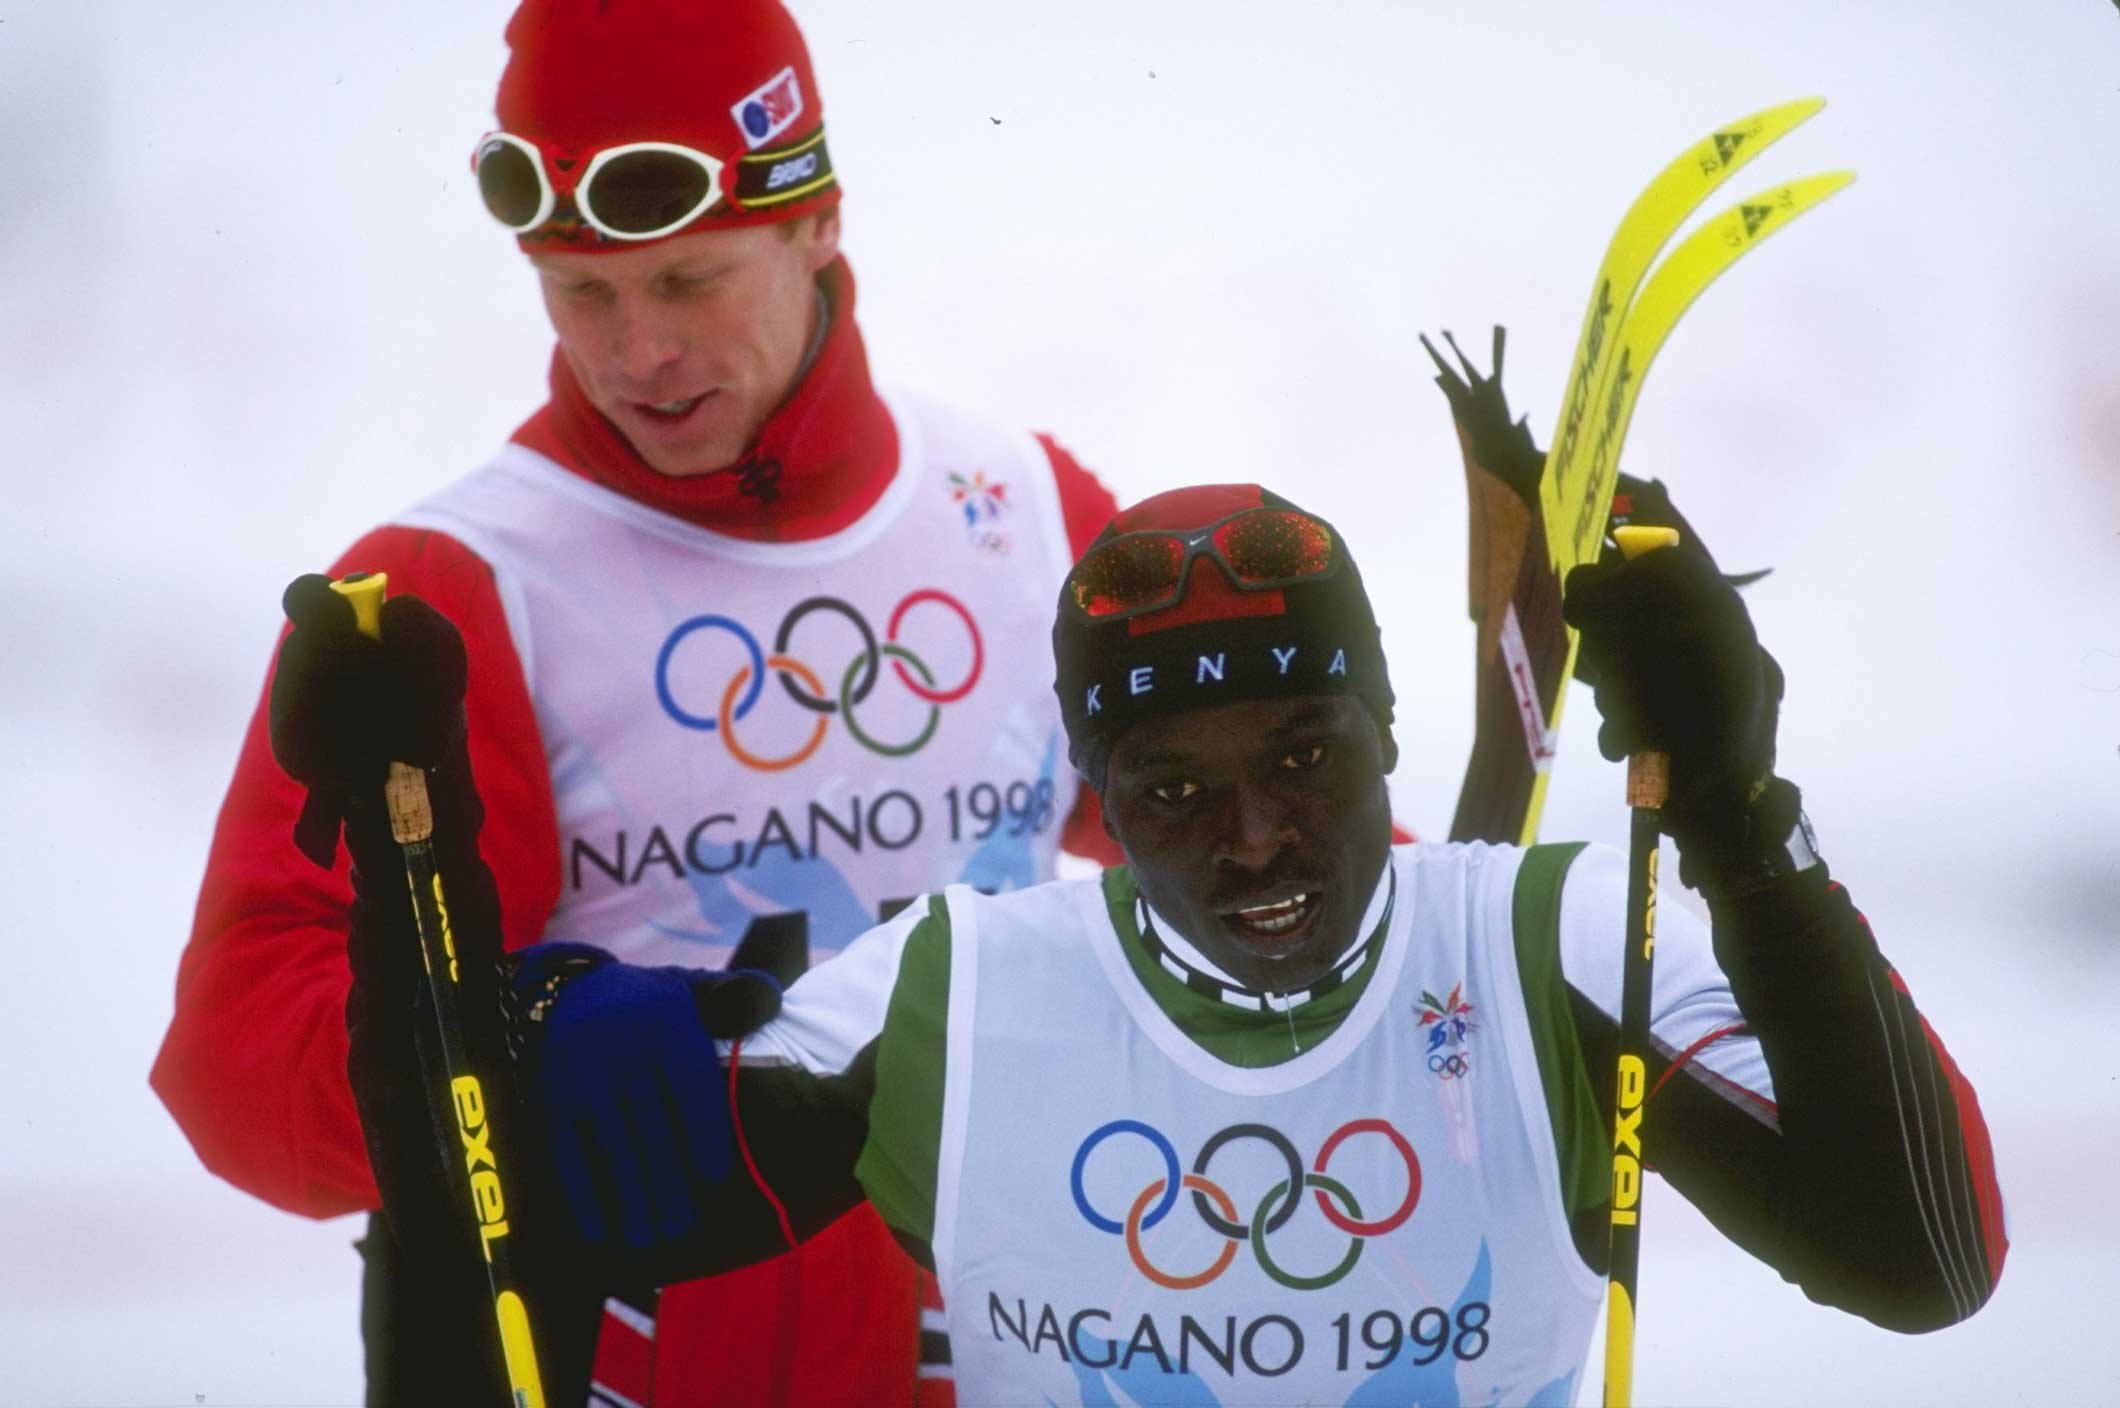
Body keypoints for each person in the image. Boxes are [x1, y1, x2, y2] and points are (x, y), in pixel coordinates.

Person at [283, 482, 2007, 1406]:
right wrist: (412, 867)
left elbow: (1920, 1260)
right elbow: (491, 1241)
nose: (1252, 837)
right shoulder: (958, 992)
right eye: (1172, 788)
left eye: (1304, 759)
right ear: (1097, 795)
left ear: (1386, 741)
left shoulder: (1551, 942)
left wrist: (1737, 817)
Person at [149, 0, 1126, 1402]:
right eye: (580, 291)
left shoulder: (1018, 507)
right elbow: (237, 1048)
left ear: (818, 221)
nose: (636, 354)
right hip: (629, 1355)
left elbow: (1254, 855)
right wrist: (515, 1044)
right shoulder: (455, 582)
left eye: (688, 280)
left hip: (1012, 1340)